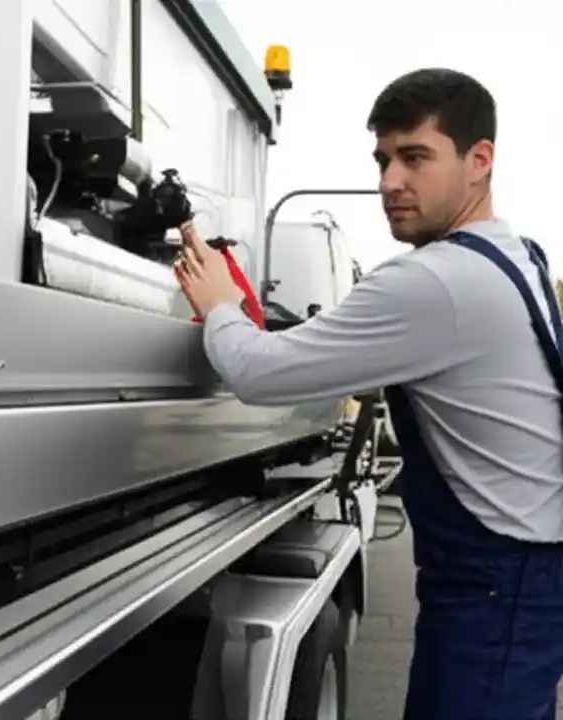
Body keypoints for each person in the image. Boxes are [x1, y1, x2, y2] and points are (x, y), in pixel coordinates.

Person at [175, 67, 563, 719]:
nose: (389, 182)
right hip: (525, 579)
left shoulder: (434, 282)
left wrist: (219, 305)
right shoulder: (519, 255)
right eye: (383, 160)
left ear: (480, 161)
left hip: (495, 593)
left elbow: (259, 374)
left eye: (416, 157)